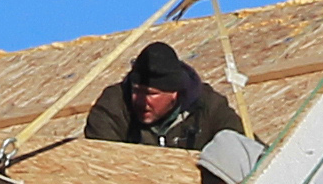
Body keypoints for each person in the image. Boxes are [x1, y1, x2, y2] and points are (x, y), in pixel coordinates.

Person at [82, 40, 240, 152]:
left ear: (174, 93)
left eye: (151, 94)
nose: (142, 101)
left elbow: (246, 150)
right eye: (136, 91)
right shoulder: (113, 106)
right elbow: (100, 160)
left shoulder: (209, 106)